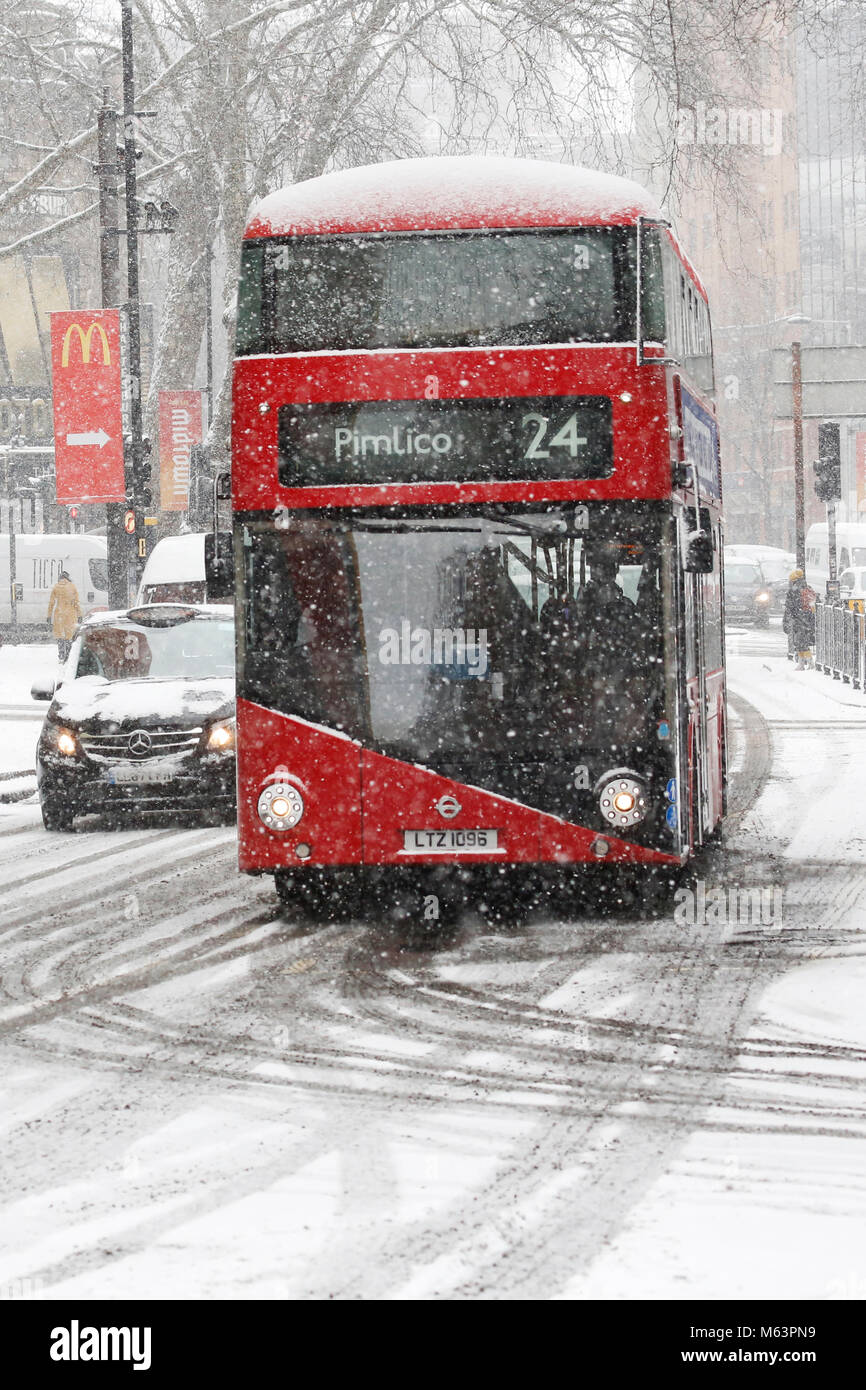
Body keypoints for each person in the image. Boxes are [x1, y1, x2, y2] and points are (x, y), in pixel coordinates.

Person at [782, 568, 816, 669]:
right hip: (807, 617)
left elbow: (790, 606)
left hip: (798, 618)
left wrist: (787, 619)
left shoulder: (794, 590)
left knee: (800, 641)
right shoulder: (808, 588)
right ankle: (802, 663)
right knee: (802, 641)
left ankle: (809, 663)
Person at [47, 569, 82, 663]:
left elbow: (51, 603)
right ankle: (68, 655)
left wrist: (49, 616)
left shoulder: (56, 587)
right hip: (70, 614)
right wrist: (79, 614)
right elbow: (76, 603)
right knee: (69, 636)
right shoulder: (72, 587)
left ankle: (61, 655)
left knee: (60, 636)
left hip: (59, 614)